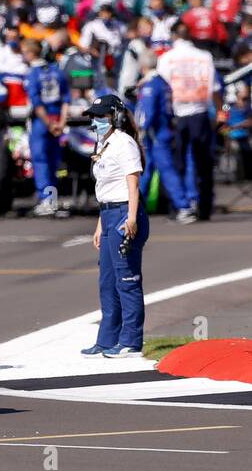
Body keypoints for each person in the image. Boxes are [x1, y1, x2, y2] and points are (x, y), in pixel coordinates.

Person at [82, 95, 150, 358]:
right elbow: (106, 189)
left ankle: (131, 341)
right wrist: (101, 224)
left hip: (125, 212)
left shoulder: (125, 144)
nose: (96, 122)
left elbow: (132, 185)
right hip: (109, 213)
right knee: (107, 281)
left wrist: (131, 219)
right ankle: (108, 338)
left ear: (116, 117)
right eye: (94, 117)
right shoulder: (104, 144)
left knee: (127, 280)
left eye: (101, 116)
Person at [157, 23, 220, 221]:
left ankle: (178, 206)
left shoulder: (166, 58)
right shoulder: (204, 56)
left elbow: (163, 86)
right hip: (200, 112)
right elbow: (215, 86)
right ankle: (204, 206)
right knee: (203, 161)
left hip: (177, 114)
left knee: (178, 161)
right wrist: (219, 110)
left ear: (174, 36)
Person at [133, 51, 195, 224]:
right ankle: (136, 207)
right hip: (162, 132)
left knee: (166, 170)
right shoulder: (162, 82)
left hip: (156, 135)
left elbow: (147, 113)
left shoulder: (151, 85)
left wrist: (140, 130)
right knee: (145, 171)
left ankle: (184, 206)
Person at [23, 39, 70, 216]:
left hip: (42, 122)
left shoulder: (33, 73)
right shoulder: (57, 72)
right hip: (57, 118)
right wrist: (61, 122)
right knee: (53, 161)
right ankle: (53, 197)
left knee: (41, 160)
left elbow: (36, 102)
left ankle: (46, 199)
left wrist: (48, 123)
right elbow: (66, 99)